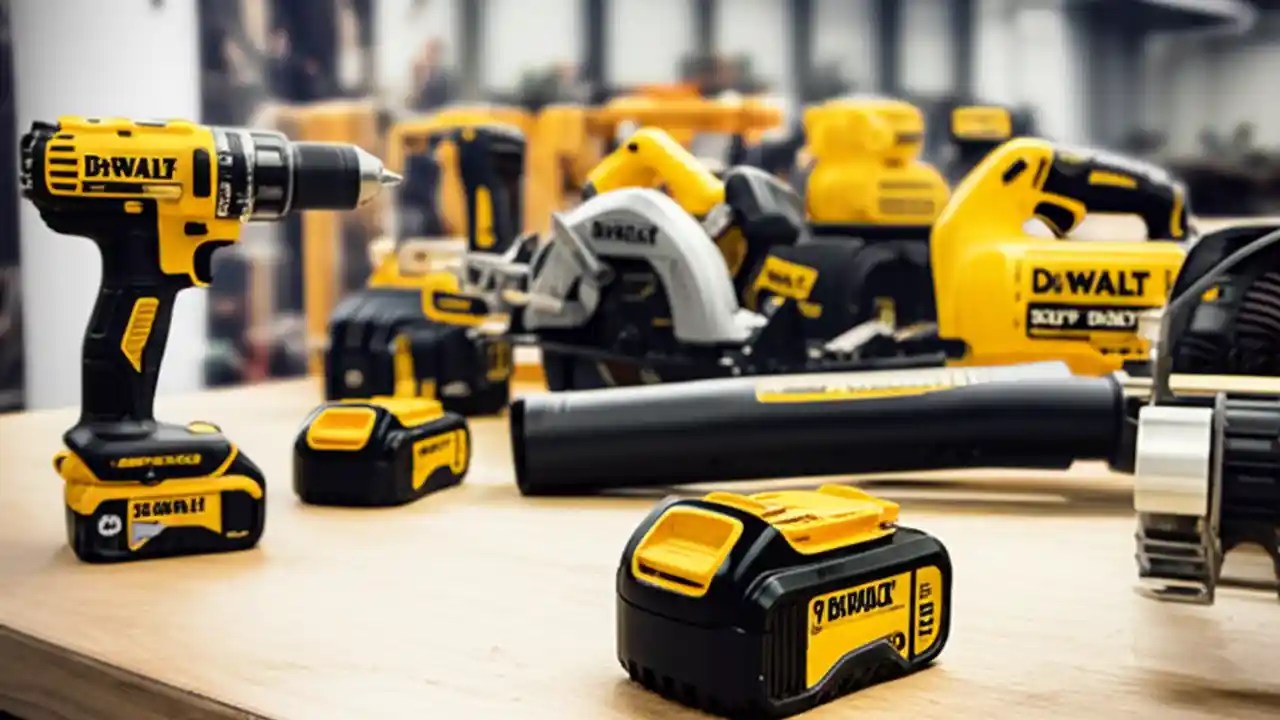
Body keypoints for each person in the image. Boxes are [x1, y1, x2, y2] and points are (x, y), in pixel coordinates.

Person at [410, 38, 454, 111]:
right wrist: (418, 80)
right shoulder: (421, 71)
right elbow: (415, 103)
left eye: (433, 51)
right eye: (427, 51)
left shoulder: (446, 78)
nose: (428, 55)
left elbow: (445, 103)